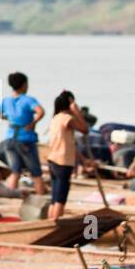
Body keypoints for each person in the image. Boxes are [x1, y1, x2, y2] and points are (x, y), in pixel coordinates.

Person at [0, 72, 47, 195]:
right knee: (36, 173)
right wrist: (33, 122)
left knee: (15, 172)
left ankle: (11, 196)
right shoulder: (28, 100)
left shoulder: (7, 101)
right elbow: (41, 111)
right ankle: (41, 198)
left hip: (9, 139)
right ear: (24, 85)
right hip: (25, 139)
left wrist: (6, 118)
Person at [46, 90, 89, 221]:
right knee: (60, 198)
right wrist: (76, 111)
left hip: (53, 160)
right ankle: (54, 224)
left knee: (55, 197)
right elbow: (85, 129)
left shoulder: (55, 118)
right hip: (62, 162)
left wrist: (83, 159)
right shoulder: (66, 118)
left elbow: (68, 144)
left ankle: (50, 222)